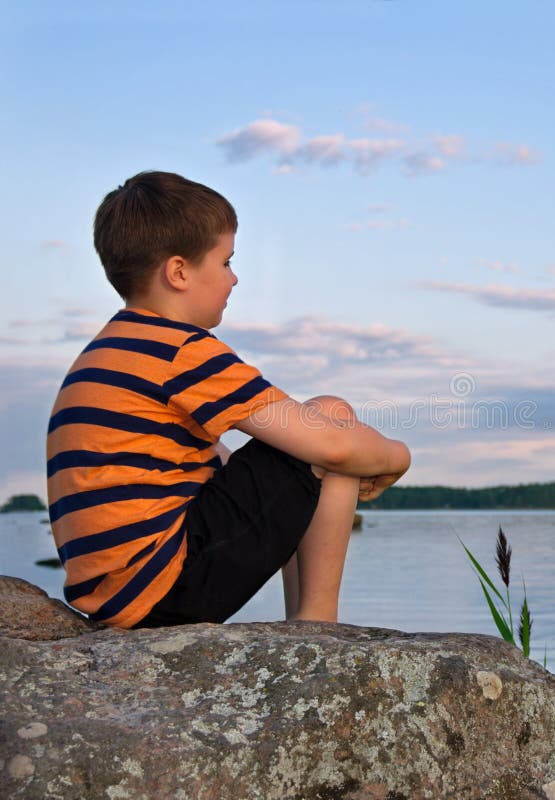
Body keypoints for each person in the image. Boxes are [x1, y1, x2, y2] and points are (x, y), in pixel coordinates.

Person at [46, 171, 411, 629]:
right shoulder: (180, 350)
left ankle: (307, 624)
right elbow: (333, 447)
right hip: (166, 585)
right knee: (330, 418)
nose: (234, 278)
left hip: (117, 596)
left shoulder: (110, 351)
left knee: (264, 446)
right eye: (225, 262)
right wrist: (397, 458)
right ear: (179, 272)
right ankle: (316, 624)